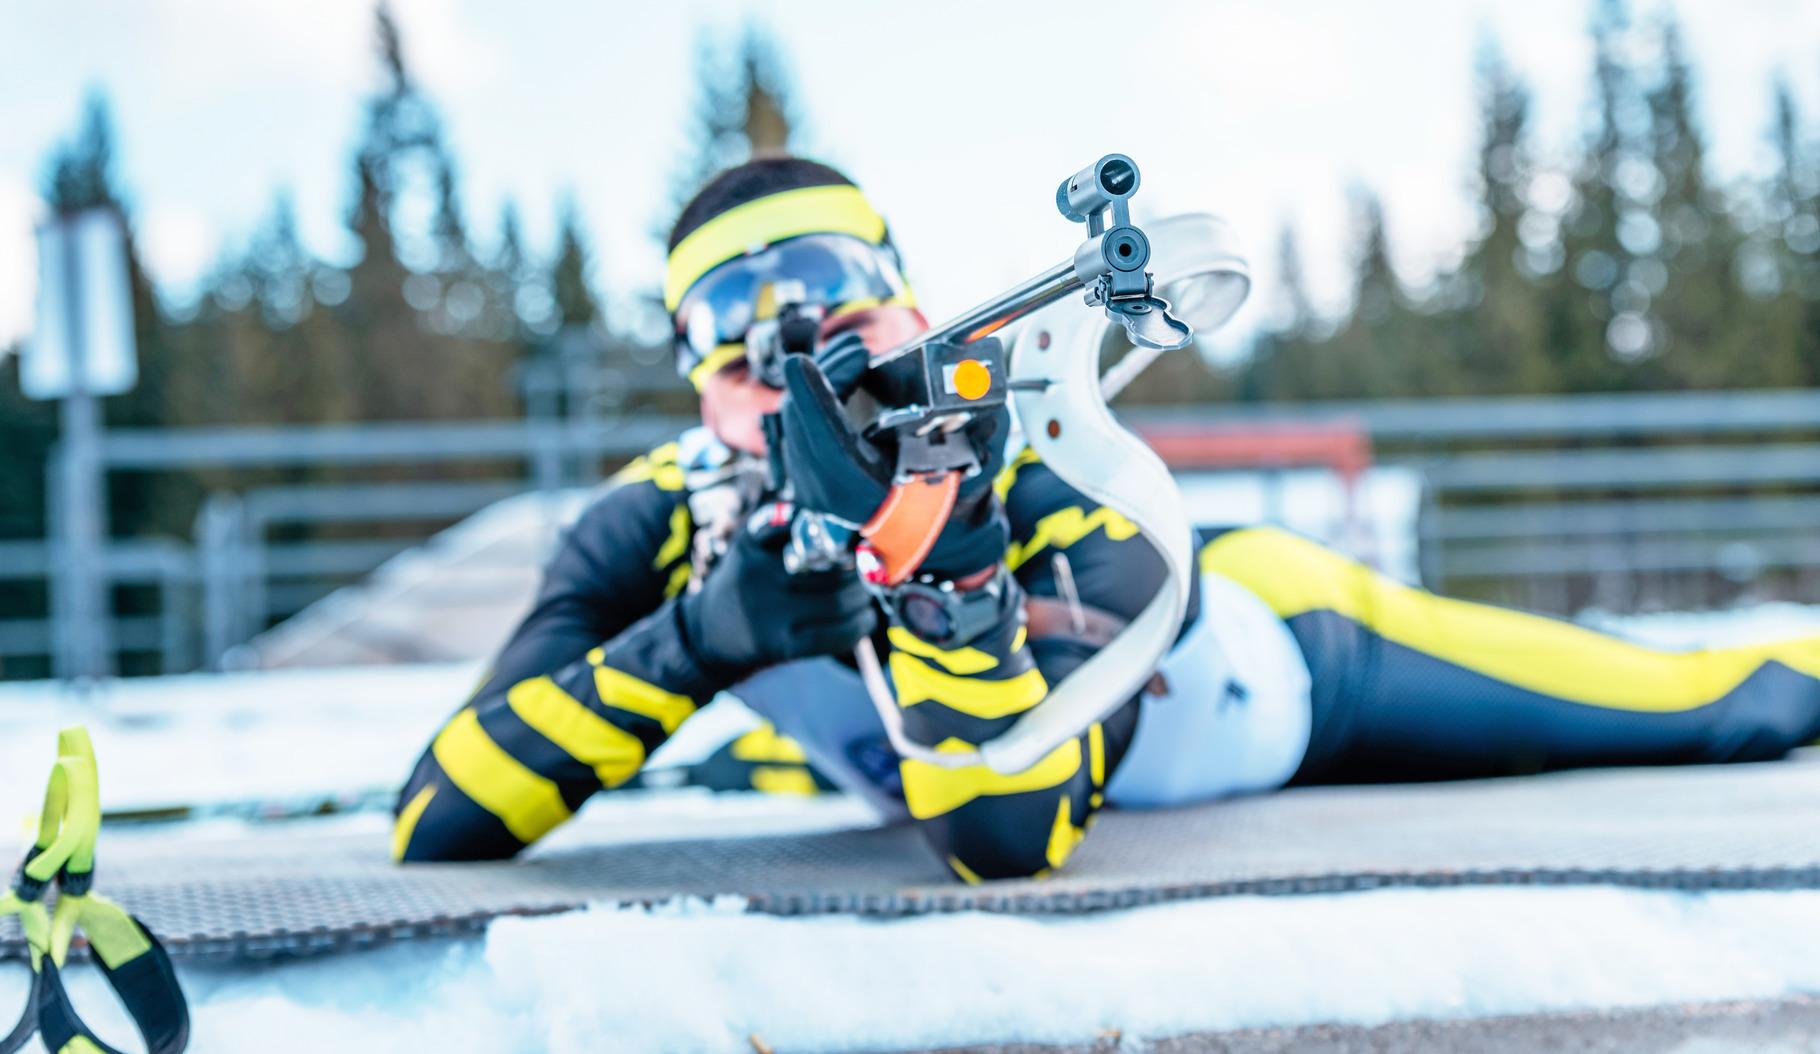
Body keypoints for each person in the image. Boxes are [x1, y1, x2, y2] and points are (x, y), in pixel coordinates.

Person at [393, 157, 1820, 879]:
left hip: (1304, 667)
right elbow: (435, 819)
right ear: (702, 393)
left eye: (849, 310)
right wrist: (696, 640)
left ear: (912, 303)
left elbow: (1011, 834)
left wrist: (946, 566)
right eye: (746, 352)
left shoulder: (1023, 449)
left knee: (1719, 702)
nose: (814, 374)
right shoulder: (658, 520)